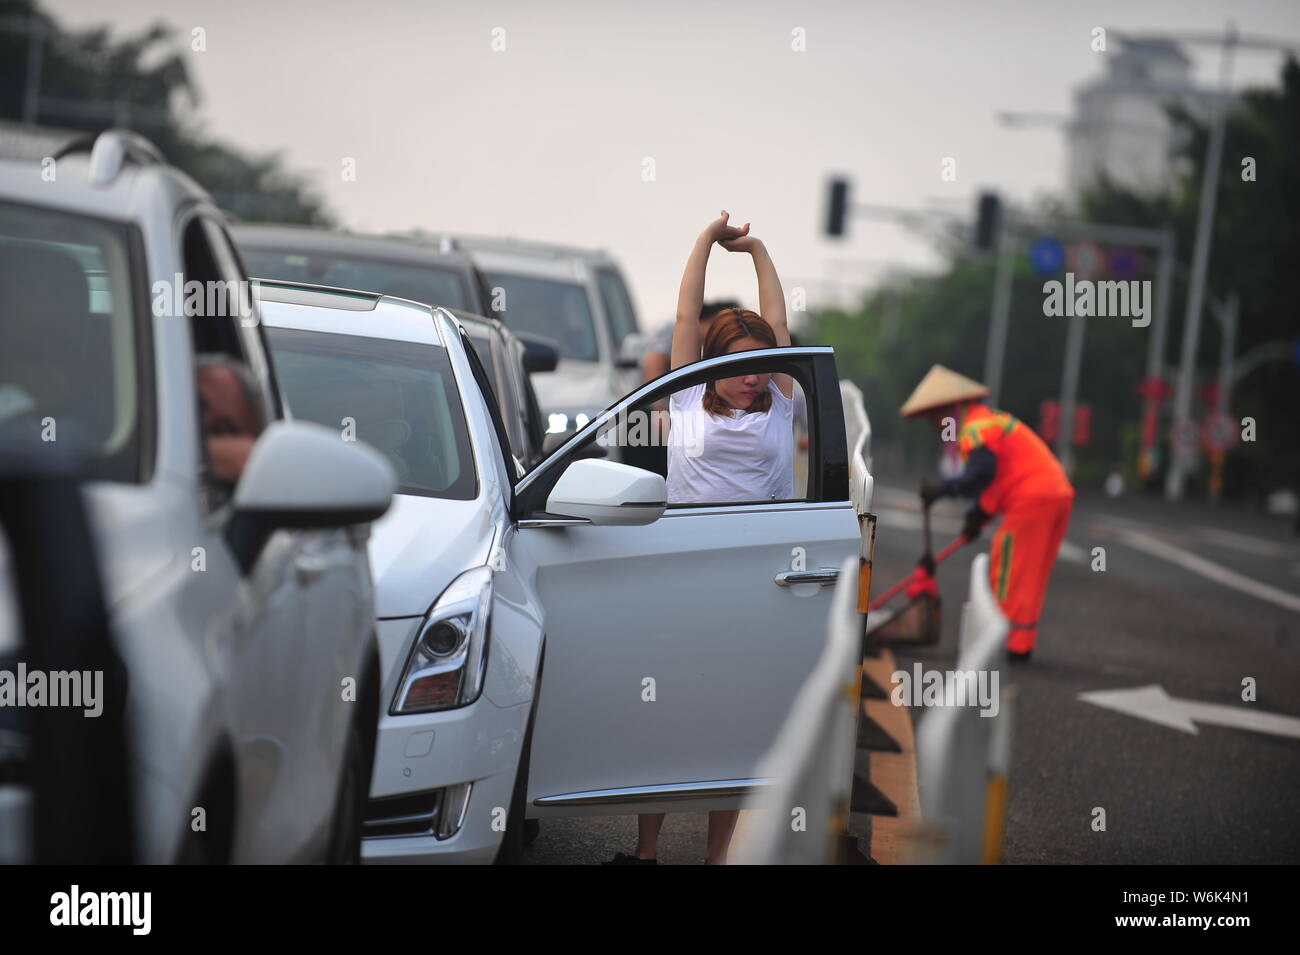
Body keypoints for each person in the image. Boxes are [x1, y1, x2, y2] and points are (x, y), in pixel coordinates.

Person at [603, 211, 793, 866]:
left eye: (764, 364)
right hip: (681, 574)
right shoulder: (684, 398)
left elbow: (775, 315)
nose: (755, 375)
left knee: (733, 732)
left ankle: (719, 858)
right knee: (666, 723)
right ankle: (646, 852)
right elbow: (686, 318)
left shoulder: (784, 400)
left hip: (756, 582)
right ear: (710, 366)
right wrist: (705, 244)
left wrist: (760, 251)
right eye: (742, 365)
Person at [900, 364, 1074, 661]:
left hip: (1031, 499)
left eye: (936, 417)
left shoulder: (975, 429)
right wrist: (979, 514)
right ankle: (1017, 644)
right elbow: (998, 479)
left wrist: (943, 490)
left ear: (951, 409)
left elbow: (981, 474)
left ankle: (1000, 645)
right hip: (1053, 495)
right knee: (1027, 575)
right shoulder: (988, 421)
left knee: (1007, 569)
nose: (936, 425)